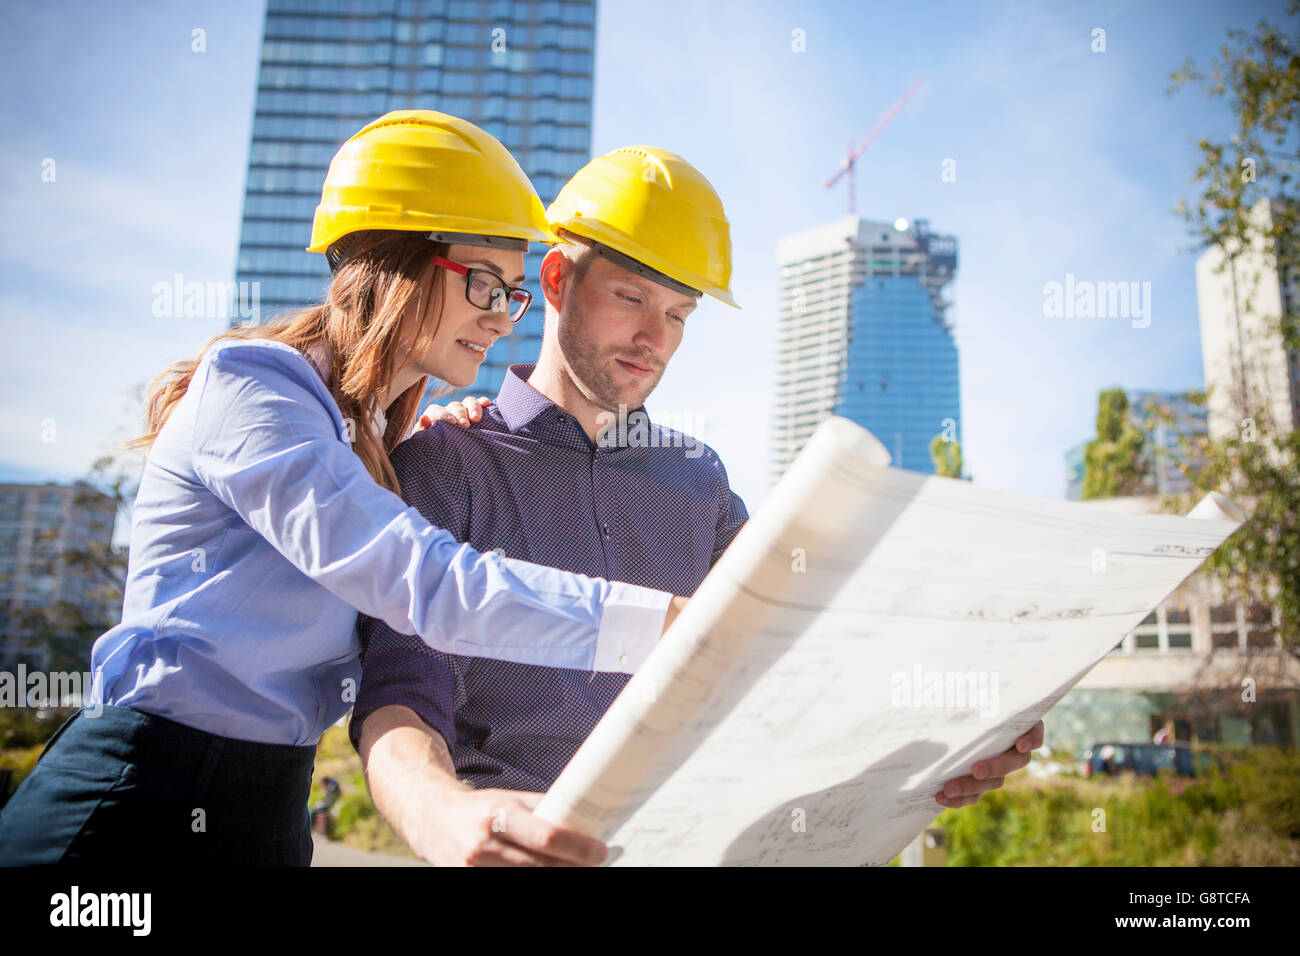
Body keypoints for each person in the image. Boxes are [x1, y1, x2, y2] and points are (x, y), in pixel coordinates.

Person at [0, 112, 686, 867]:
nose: (500, 319)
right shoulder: (254, 392)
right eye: (485, 284)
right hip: (137, 797)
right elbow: (422, 580)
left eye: (513, 295)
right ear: (397, 262)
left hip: (269, 810)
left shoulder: (376, 442)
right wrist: (673, 627)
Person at [353, 146, 1045, 867]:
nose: (655, 340)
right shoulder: (448, 463)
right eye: (631, 299)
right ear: (556, 280)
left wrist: (947, 737)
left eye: (679, 314)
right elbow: (402, 690)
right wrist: (441, 812)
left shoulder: (698, 479)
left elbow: (792, 658)